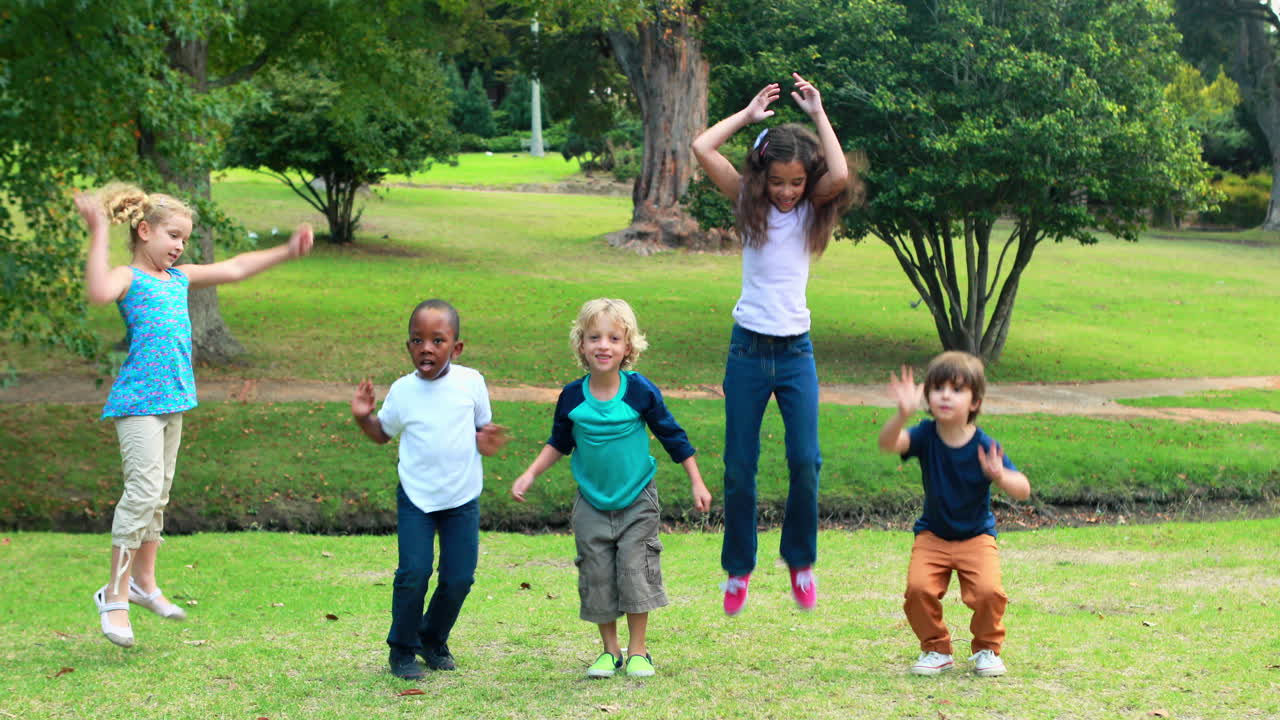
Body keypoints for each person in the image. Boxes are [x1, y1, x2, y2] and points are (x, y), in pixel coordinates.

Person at [78, 184, 313, 648]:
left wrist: (287, 251)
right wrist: (98, 229)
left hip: (174, 402)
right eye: (173, 235)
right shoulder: (129, 277)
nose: (180, 246)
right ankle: (115, 596)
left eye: (184, 239)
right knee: (141, 494)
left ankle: (144, 583)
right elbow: (99, 292)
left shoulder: (179, 278)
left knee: (158, 497)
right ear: (144, 231)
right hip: (139, 404)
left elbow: (236, 268)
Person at [692, 72, 853, 615]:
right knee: (740, 467)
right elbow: (702, 147)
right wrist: (747, 116)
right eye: (778, 182)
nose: (787, 192)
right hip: (747, 353)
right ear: (763, 178)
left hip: (795, 354)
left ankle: (800, 561)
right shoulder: (749, 204)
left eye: (796, 183)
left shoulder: (809, 211)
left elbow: (840, 173)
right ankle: (738, 569)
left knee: (806, 460)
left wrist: (818, 114)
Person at [510, 298, 712, 679]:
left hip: (637, 498)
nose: (603, 345)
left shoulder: (639, 391)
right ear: (581, 344)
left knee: (636, 570)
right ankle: (610, 651)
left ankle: (638, 651)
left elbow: (673, 436)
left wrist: (696, 481)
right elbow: (559, 443)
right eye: (594, 337)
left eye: (614, 338)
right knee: (598, 574)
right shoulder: (573, 397)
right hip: (591, 502)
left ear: (627, 346)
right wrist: (530, 474)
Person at [351, 299, 508, 680]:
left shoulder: (471, 383)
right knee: (414, 573)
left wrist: (487, 442)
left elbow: (482, 429)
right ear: (408, 346)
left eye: (438, 340)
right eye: (417, 340)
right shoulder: (403, 391)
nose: (427, 348)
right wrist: (363, 417)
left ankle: (432, 639)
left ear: (456, 347)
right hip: (416, 497)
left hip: (461, 497)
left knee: (459, 578)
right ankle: (402, 650)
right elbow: (382, 434)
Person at [877, 351, 1032, 677]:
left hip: (976, 536)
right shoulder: (925, 435)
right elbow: (889, 443)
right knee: (918, 590)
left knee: (989, 593)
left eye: (957, 389)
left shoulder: (985, 445)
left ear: (975, 402)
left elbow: (1023, 489)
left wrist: (1001, 476)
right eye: (938, 388)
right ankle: (936, 649)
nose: (946, 395)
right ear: (928, 397)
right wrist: (901, 415)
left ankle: (987, 649)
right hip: (933, 534)